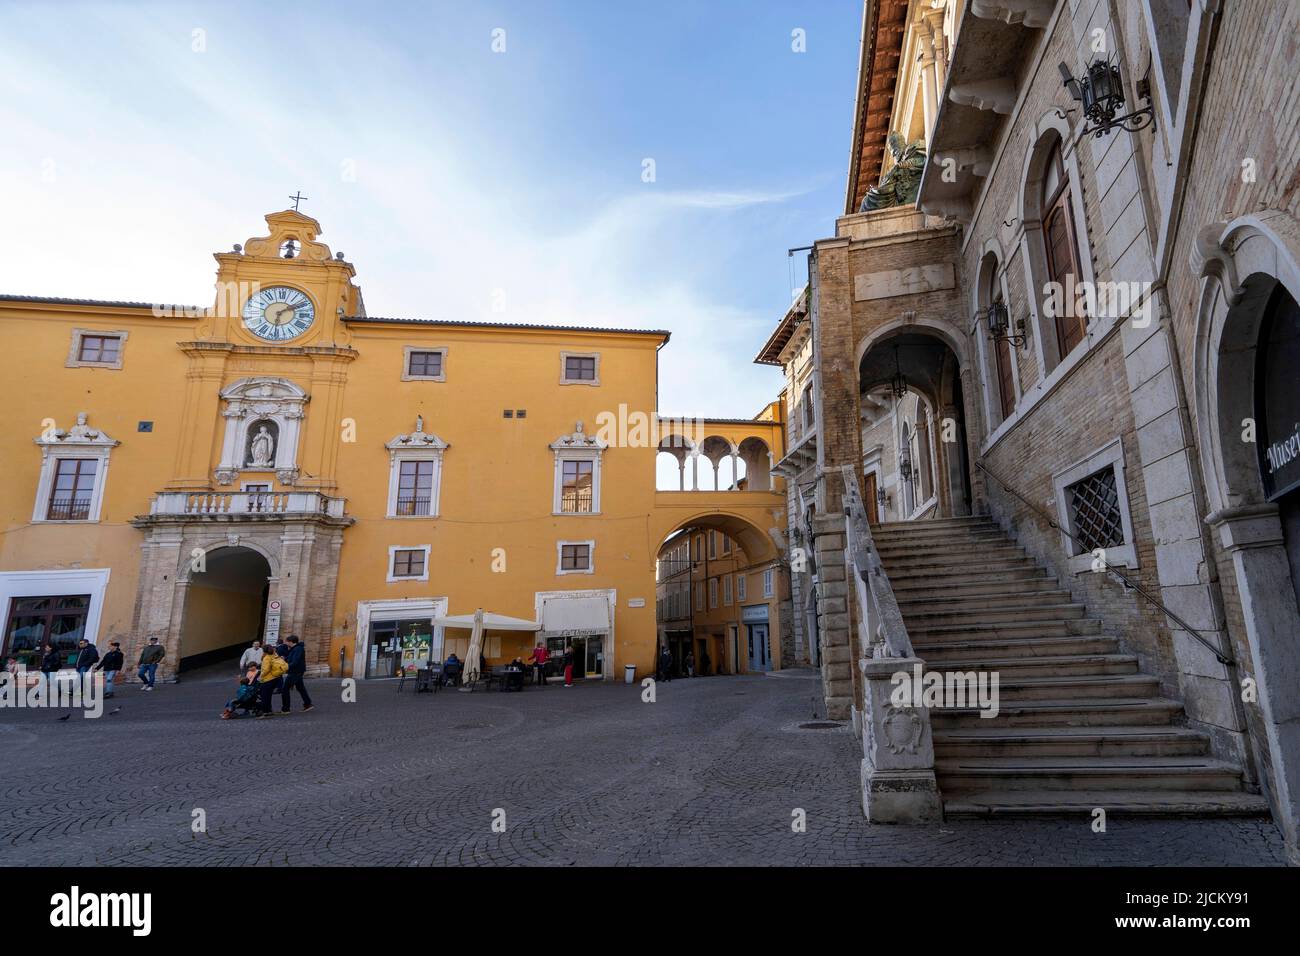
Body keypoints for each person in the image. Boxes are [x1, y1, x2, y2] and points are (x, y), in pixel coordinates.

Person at [279, 634, 313, 714]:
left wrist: (286, 667)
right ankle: (308, 704)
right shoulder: (294, 648)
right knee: (300, 688)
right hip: (296, 671)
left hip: (295, 671)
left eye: (286, 642)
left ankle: (286, 709)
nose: (285, 643)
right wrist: (285, 659)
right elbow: (291, 658)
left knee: (285, 689)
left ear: (291, 642)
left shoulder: (298, 649)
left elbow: (295, 661)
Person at [255, 643, 289, 718]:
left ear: (264, 650)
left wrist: (260, 676)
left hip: (268, 679)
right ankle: (269, 710)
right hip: (276, 678)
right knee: (269, 695)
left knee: (264, 696)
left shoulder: (267, 658)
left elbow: (266, 669)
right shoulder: (275, 655)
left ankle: (266, 712)